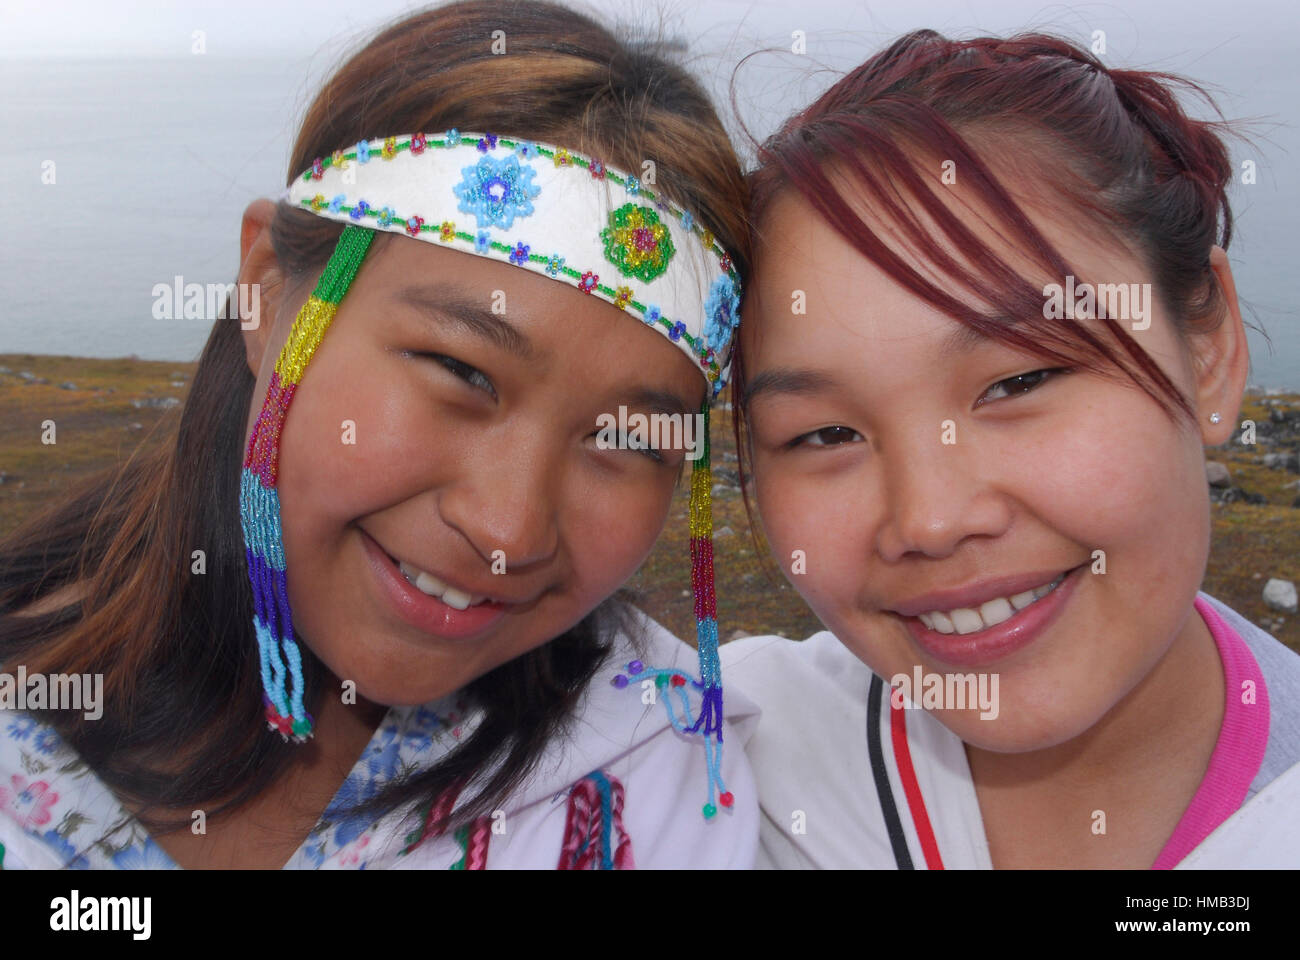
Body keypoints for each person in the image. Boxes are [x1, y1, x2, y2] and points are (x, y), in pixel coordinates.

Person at [0, 0, 756, 870]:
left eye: (627, 437)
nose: (508, 530)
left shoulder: (655, 775)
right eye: (463, 372)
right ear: (267, 290)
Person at [721, 30, 1300, 869]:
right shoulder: (711, 771)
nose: (930, 519)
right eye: (825, 434)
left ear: (1207, 351)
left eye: (1019, 382)